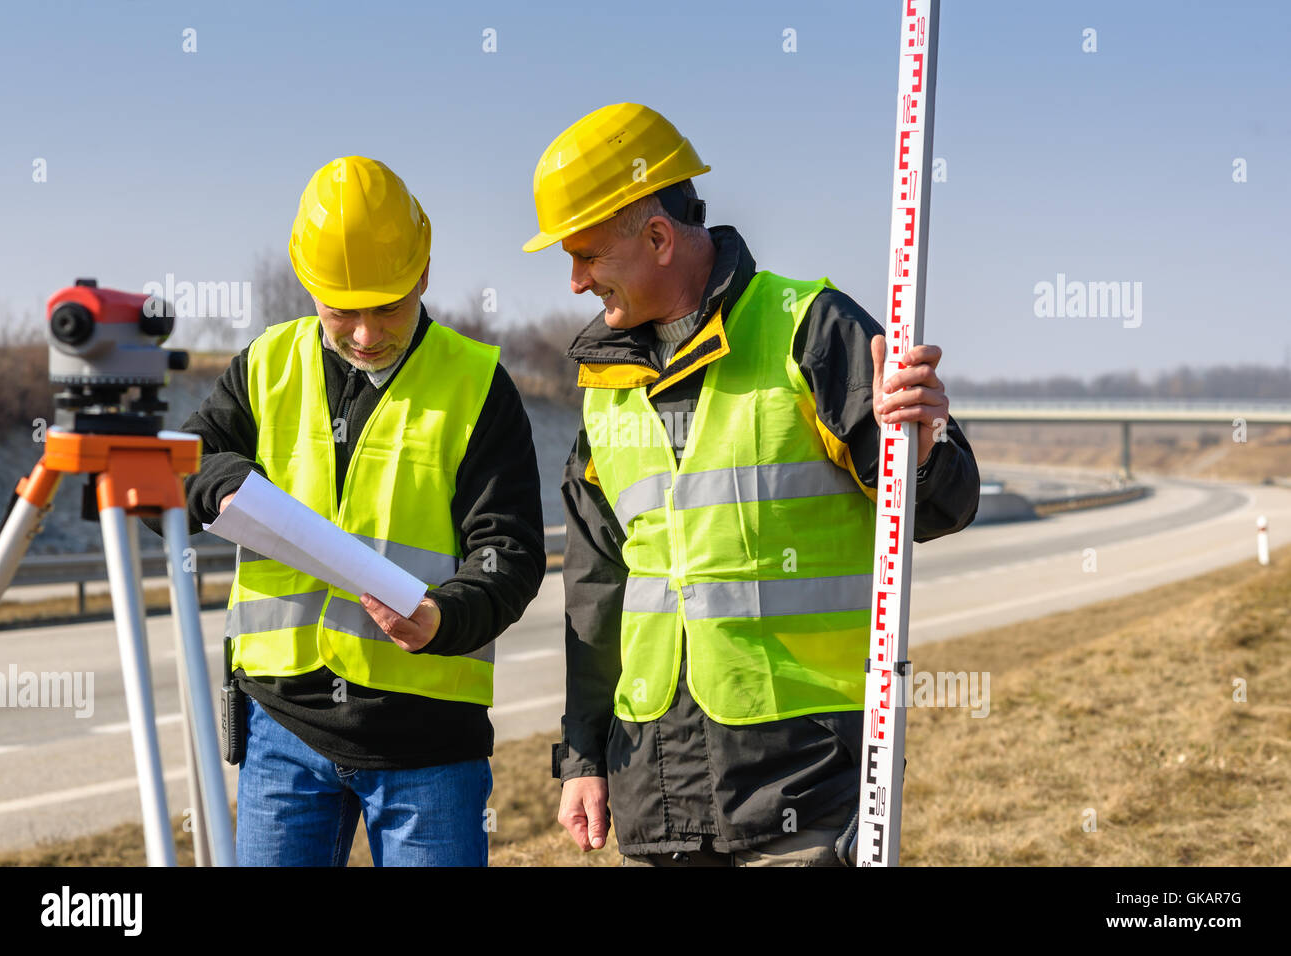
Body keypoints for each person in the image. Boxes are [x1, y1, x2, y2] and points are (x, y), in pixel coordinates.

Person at [522, 104, 980, 866]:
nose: (573, 281)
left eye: (586, 254)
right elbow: (596, 587)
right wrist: (582, 757)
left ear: (659, 238)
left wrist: (924, 446)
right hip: (655, 786)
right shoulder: (604, 387)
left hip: (806, 783)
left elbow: (938, 507)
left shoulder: (810, 329)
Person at [160, 156, 544, 866]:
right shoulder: (267, 365)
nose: (366, 333)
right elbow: (177, 470)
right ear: (309, 288)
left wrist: (445, 615)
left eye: (387, 305)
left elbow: (509, 551)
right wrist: (217, 479)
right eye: (344, 310)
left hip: (427, 745)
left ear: (424, 272)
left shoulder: (477, 385)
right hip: (282, 731)